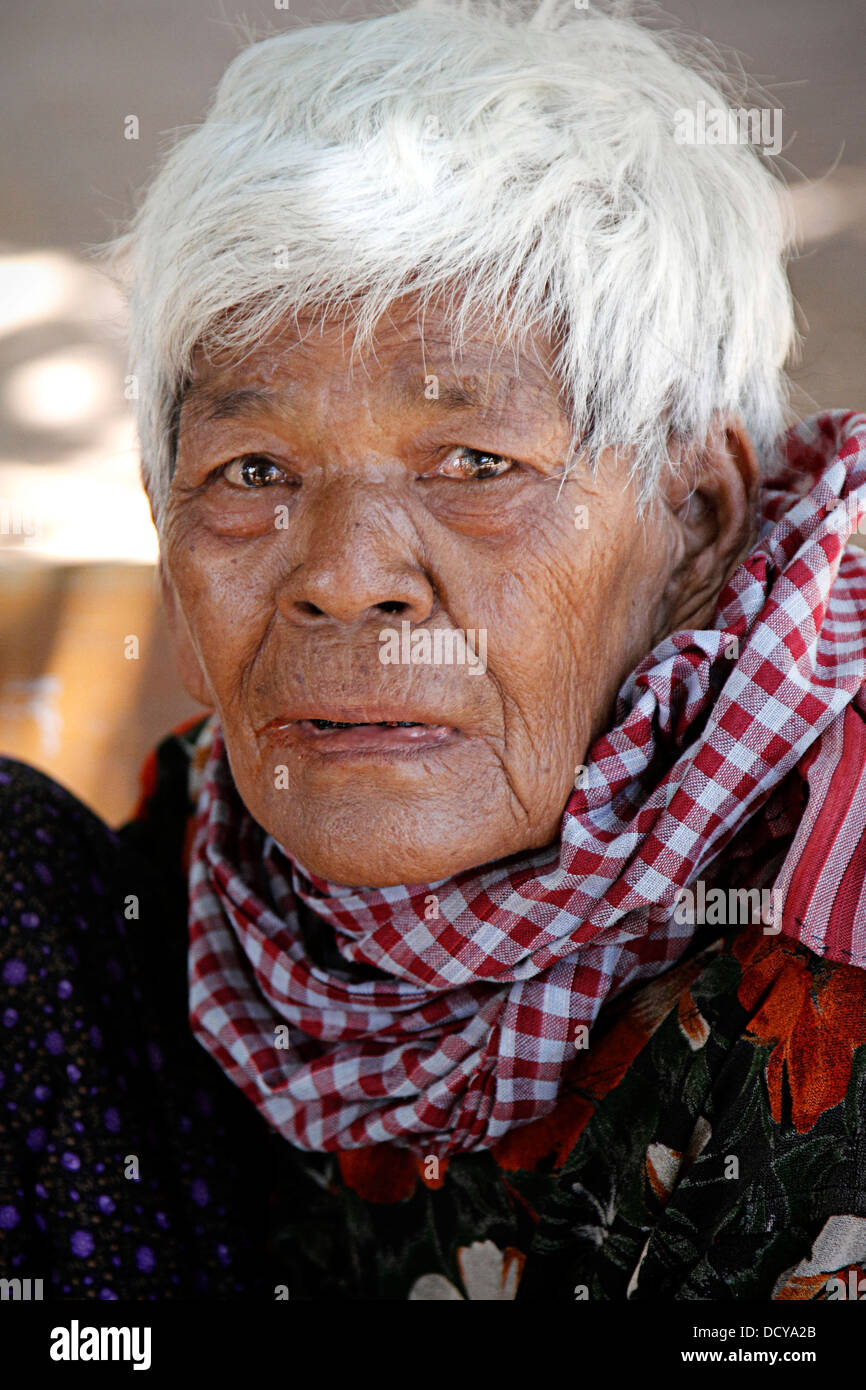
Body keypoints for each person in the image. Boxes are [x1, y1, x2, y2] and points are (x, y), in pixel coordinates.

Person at [2, 0, 866, 1302]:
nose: (342, 576)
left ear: (691, 520)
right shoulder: (152, 874)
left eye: (474, 463)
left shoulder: (824, 970)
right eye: (252, 469)